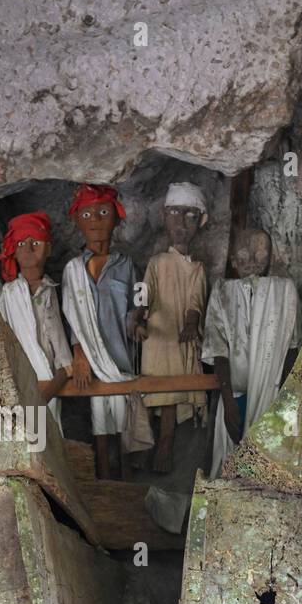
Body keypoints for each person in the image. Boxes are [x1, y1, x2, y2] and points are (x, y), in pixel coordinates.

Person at [60, 183, 151, 479]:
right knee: (100, 427)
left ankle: (126, 486)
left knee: (124, 429)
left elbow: (132, 311)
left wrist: (136, 325)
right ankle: (103, 484)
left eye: (102, 213)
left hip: (120, 361)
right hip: (93, 367)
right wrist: (79, 354)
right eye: (87, 214)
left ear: (116, 219)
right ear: (77, 221)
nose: (96, 221)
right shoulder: (72, 270)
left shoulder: (127, 267)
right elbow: (72, 319)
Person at [202, 228, 300, 477]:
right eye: (245, 256)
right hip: (235, 396)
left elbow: (291, 346)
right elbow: (218, 349)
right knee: (231, 464)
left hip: (270, 395)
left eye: (260, 254)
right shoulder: (222, 290)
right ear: (233, 260)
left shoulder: (285, 290)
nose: (253, 262)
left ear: (270, 258)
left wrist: (283, 400)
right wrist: (227, 400)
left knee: (268, 466)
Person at [134, 182, 210, 472]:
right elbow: (144, 292)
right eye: (175, 213)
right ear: (165, 217)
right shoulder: (156, 262)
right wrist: (138, 317)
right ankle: (145, 445)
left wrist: (191, 323)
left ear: (199, 222)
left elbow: (196, 300)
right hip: (158, 335)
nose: (181, 222)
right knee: (154, 388)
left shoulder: (197, 268)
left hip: (180, 338)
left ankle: (165, 445)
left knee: (174, 390)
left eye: (190, 215)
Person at [0, 211, 72, 422]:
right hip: (20, 382)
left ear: (48, 249)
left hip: (49, 383)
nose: (28, 249)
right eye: (21, 244)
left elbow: (60, 347)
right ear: (13, 252)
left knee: (50, 440)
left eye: (35, 242)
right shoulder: (9, 294)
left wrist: (54, 383)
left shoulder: (51, 291)